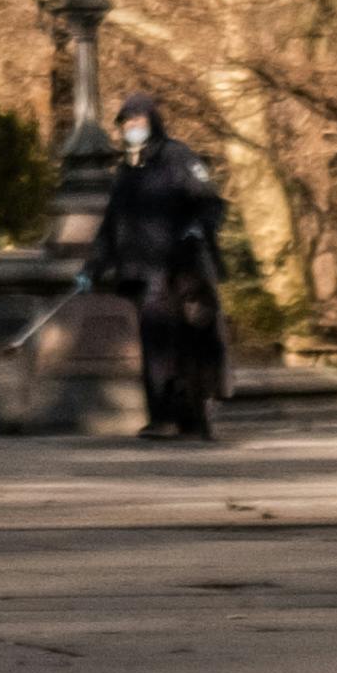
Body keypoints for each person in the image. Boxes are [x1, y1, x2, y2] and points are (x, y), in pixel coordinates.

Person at [90, 102, 234, 442]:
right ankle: (165, 416)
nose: (131, 129)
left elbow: (209, 202)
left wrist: (198, 227)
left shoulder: (178, 158)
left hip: (182, 271)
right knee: (157, 348)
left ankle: (190, 416)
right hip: (143, 273)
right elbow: (112, 224)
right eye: (125, 124)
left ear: (152, 122)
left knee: (189, 344)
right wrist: (93, 265)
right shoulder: (127, 171)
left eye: (137, 122)